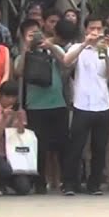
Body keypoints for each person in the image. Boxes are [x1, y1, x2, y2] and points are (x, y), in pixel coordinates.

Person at [61, 16, 109, 197]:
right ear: (85, 30)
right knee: (76, 146)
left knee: (99, 147)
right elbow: (66, 61)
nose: (96, 32)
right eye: (92, 28)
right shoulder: (77, 47)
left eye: (99, 28)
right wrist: (85, 44)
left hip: (102, 104)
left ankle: (94, 184)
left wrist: (106, 53)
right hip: (82, 104)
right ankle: (69, 183)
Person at [14, 18, 70, 194]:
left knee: (62, 144)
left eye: (36, 33)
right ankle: (39, 183)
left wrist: (50, 46)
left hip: (58, 103)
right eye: (30, 34)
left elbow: (66, 62)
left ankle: (65, 181)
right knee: (39, 146)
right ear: (23, 37)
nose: (34, 36)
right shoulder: (23, 54)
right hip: (36, 106)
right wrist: (25, 51)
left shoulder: (52, 49)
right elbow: (18, 72)